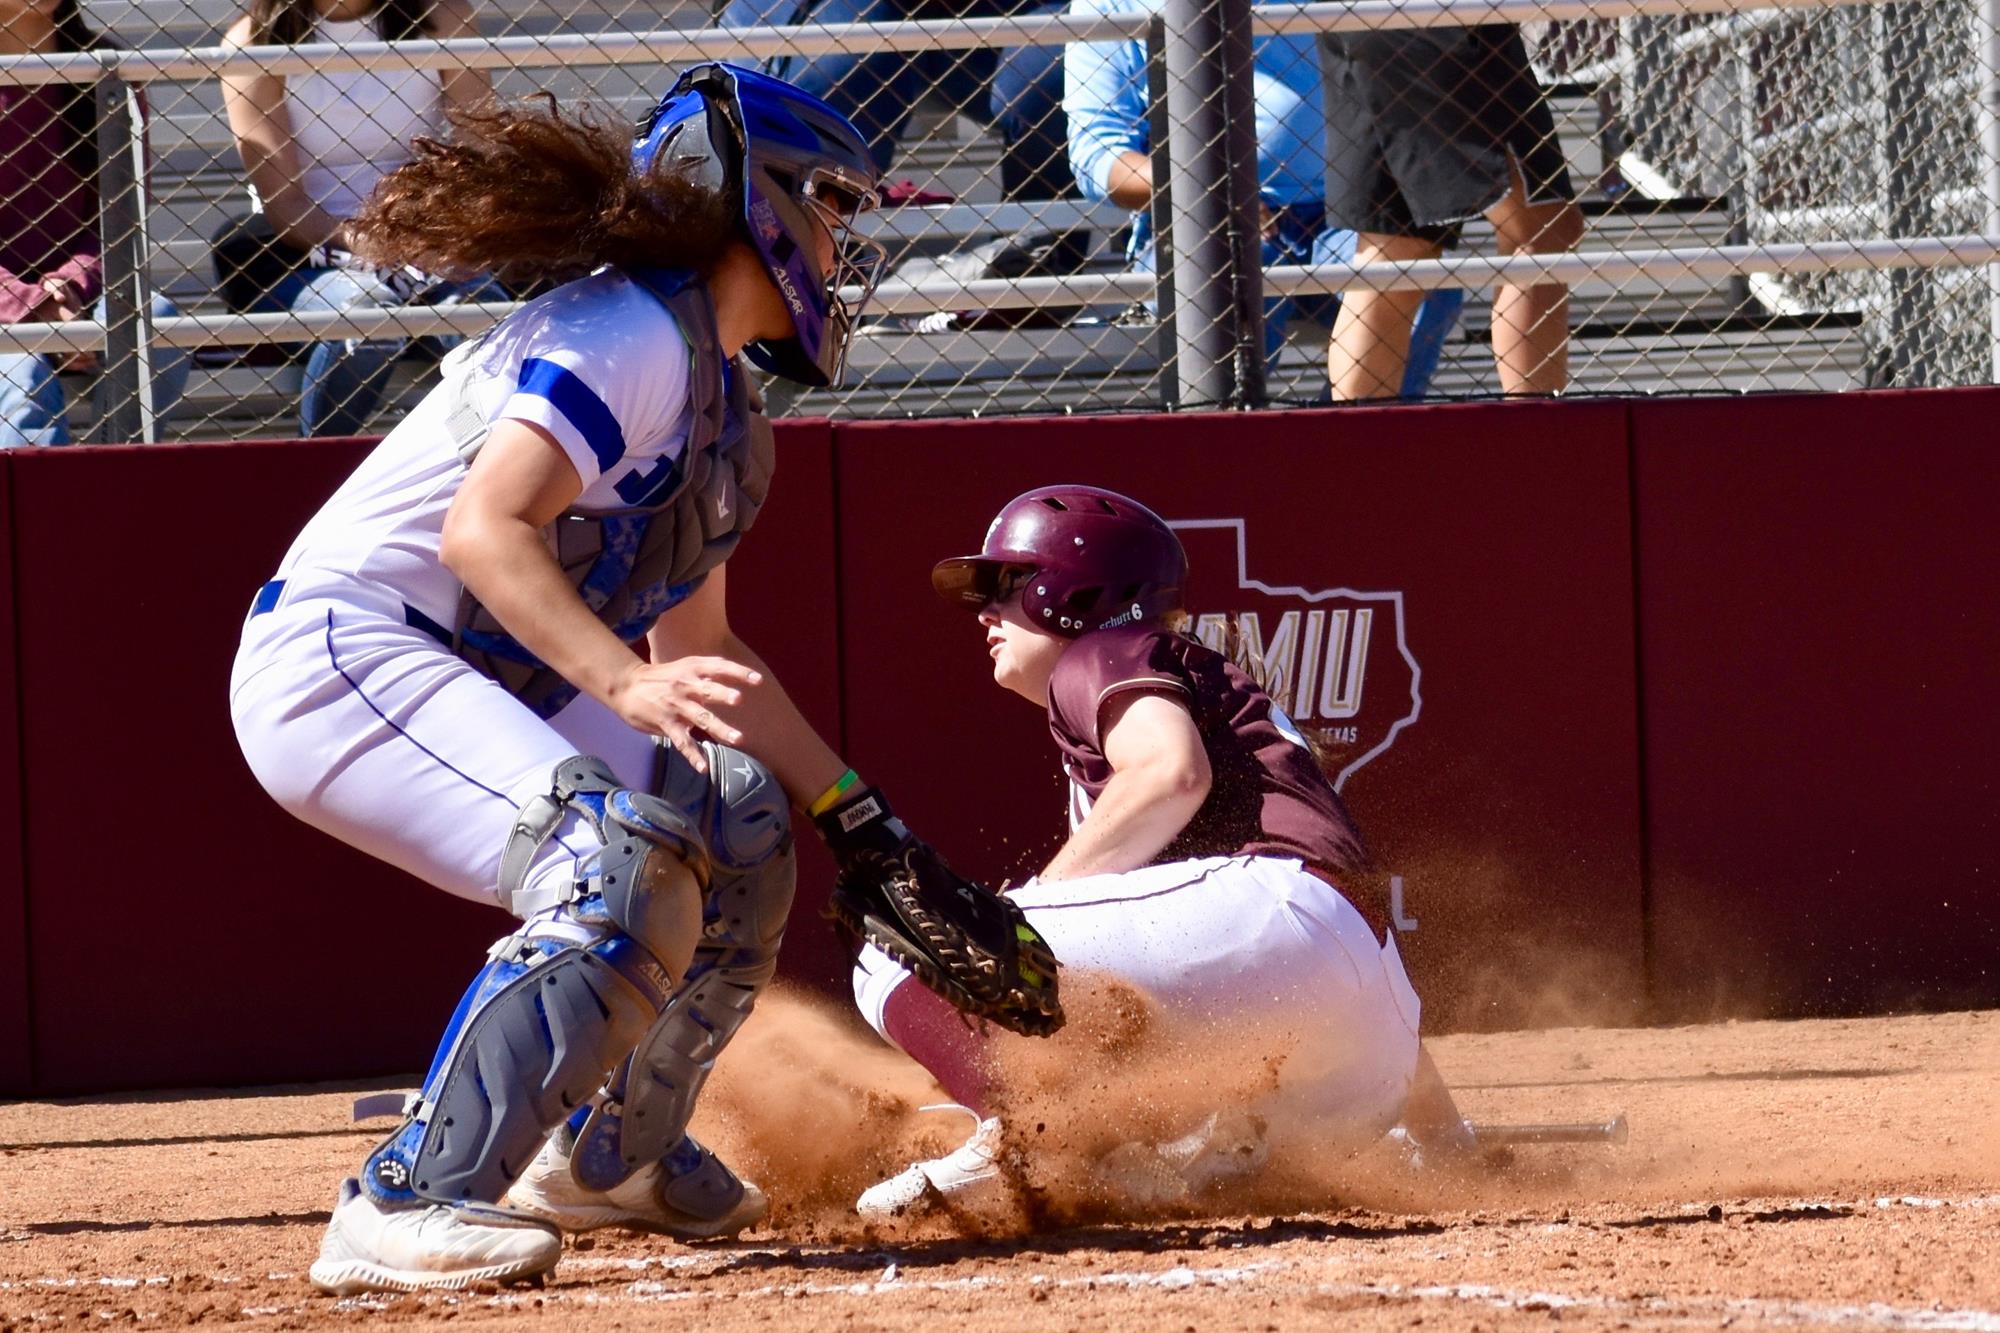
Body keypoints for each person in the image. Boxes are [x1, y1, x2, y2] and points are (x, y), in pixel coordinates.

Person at [230, 63, 1054, 1295]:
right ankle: (403, 1199)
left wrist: (860, 817)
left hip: (466, 665)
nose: (844, 241)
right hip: (346, 650)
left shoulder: (721, 406)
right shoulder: (624, 331)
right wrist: (617, 685)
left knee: (739, 815)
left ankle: (610, 1152)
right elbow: (484, 533)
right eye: (830, 203)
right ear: (752, 198)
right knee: (609, 854)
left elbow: (704, 657)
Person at [849, 484, 1476, 1216]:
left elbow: (1171, 773)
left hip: (1283, 923)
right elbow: (1346, 960)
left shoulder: (1101, 649)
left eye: (1005, 585)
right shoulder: (1160, 681)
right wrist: (1448, 1137)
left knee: (903, 930)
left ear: (1073, 590)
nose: (984, 613)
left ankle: (1024, 1137)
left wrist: (1006, 940)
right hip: (1365, 1056)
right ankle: (1140, 1144)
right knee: (1133, 1139)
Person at [1062, 0, 1462, 395]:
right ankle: (1233, 445)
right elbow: (1096, 154)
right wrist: (1209, 191)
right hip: (1208, 221)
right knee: (1226, 292)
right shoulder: (1111, 3)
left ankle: (1351, 446)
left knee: (1423, 282)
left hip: (1350, 209)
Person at [218, 0, 498, 437]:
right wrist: (386, 245)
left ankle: (484, 473)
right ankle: (322, 479)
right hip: (311, 251)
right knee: (368, 320)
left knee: (484, 311)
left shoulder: (442, 17)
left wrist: (444, 231)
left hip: (424, 237)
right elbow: (288, 209)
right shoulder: (253, 41)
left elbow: (479, 158)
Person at [1319, 25, 1587, 400]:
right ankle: (1536, 438)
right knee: (1539, 230)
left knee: (1394, 252)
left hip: (1354, 19)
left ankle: (1360, 448)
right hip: (1438, 20)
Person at [1, 0, 189, 445]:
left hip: (79, 292)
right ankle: (39, 511)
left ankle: (110, 483)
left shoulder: (107, 73)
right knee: (20, 371)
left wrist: (71, 290)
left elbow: (123, 218)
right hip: (11, 301)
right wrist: (30, 304)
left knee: (158, 325)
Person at [718, 0, 1076, 206]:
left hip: (1010, 10)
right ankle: (815, 260)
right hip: (825, 8)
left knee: (1052, 71)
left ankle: (1032, 266)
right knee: (841, 64)